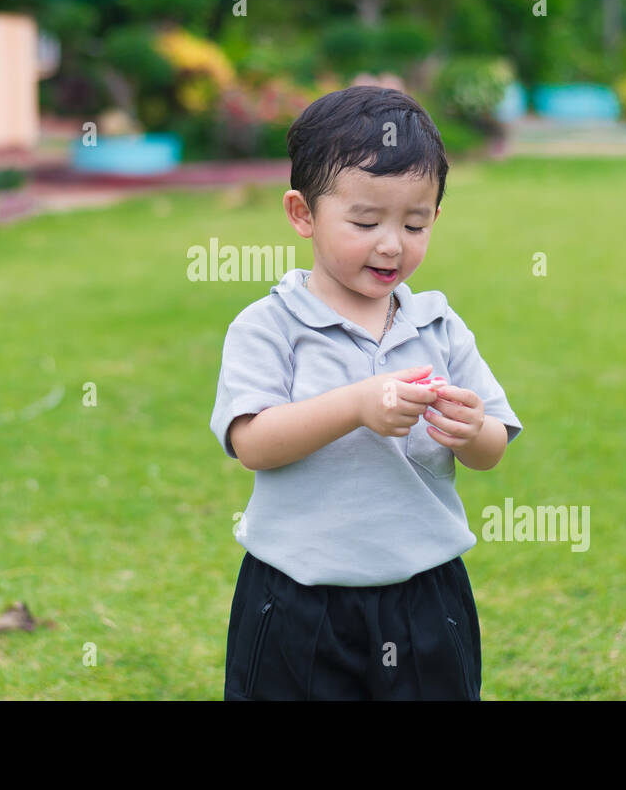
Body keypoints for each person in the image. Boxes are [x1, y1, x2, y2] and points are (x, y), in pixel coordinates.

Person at [209, 85, 524, 700]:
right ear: (302, 214)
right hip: (298, 599)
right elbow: (253, 442)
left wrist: (470, 429)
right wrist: (356, 406)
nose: (391, 244)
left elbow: (491, 448)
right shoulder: (270, 326)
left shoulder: (437, 325)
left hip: (426, 595)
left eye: (415, 223)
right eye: (365, 221)